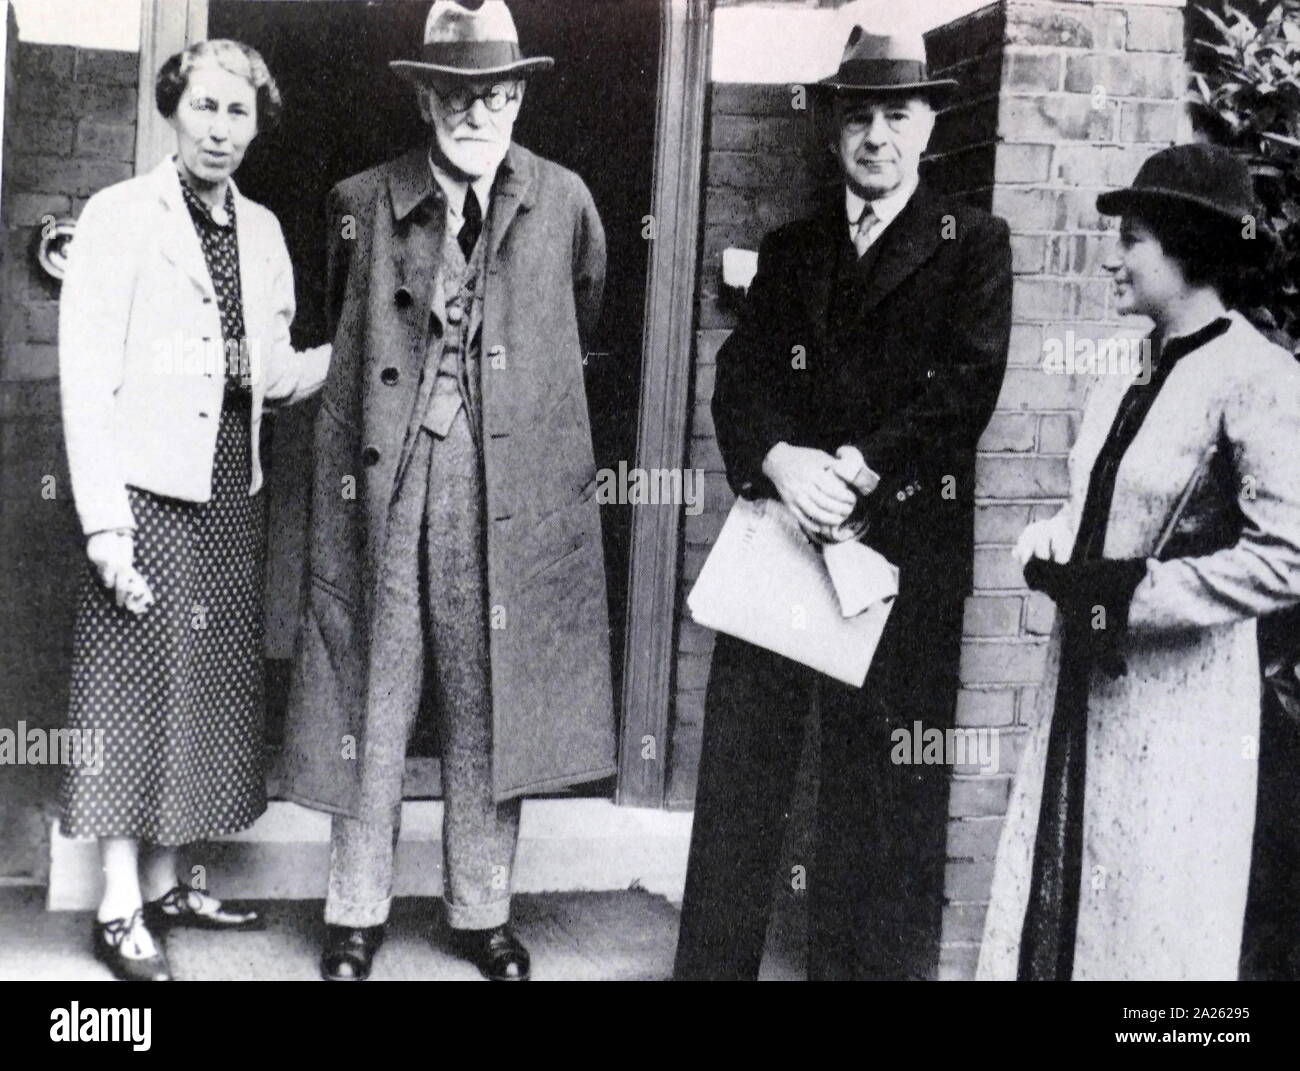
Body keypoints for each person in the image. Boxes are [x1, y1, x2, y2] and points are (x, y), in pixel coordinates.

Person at [278, 0, 614, 983]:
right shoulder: (359, 199)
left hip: (502, 474)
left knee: (488, 692)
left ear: (518, 98)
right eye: (457, 94)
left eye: (497, 94)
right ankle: (352, 913)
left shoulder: (566, 201)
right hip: (385, 469)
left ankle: (481, 911)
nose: (478, 112)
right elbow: (339, 309)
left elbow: (587, 316)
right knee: (370, 691)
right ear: (425, 98)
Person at [673, 27, 1012, 981]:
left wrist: (856, 469)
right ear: (832, 132)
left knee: (880, 792)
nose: (875, 135)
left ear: (929, 125)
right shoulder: (794, 247)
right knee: (743, 776)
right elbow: (740, 379)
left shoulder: (974, 245)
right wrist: (783, 462)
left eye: (896, 115)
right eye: (857, 115)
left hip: (894, 551)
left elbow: (963, 391)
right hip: (783, 540)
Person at [978, 143, 1300, 981]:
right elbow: (1102, 511)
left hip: (1182, 712)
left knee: (1155, 933)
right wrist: (1056, 539)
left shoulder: (1259, 378)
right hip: (1083, 692)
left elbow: (1287, 556)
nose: (1112, 256)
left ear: (1189, 247)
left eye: (1132, 238)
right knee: (1067, 915)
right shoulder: (1128, 374)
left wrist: (1134, 591)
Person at [58, 39, 331, 982]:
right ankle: (119, 903)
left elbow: (274, 370)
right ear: (175, 109)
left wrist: (365, 348)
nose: (220, 129)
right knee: (130, 693)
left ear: (258, 123)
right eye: (205, 108)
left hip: (228, 495)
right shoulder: (118, 217)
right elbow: (86, 382)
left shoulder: (259, 230)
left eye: (239, 112)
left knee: (197, 694)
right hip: (140, 496)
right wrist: (103, 525)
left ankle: (172, 885)